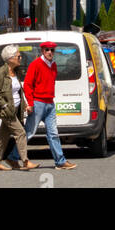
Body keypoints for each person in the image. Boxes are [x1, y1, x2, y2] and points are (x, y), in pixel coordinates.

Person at [22, 43, 77, 171]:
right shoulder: (35, 64)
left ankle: (60, 161)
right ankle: (13, 157)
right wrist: (30, 103)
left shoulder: (53, 65)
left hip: (50, 104)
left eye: (52, 50)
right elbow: (28, 85)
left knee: (53, 134)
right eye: (47, 50)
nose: (50, 52)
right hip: (38, 103)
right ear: (42, 50)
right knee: (29, 132)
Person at [0, 45, 38, 172]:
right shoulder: (0, 73)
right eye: (18, 56)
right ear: (10, 58)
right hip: (7, 111)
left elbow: (17, 92)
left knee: (3, 137)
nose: (20, 58)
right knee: (21, 133)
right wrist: (5, 106)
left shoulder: (15, 72)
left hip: (16, 110)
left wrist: (25, 105)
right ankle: (25, 161)